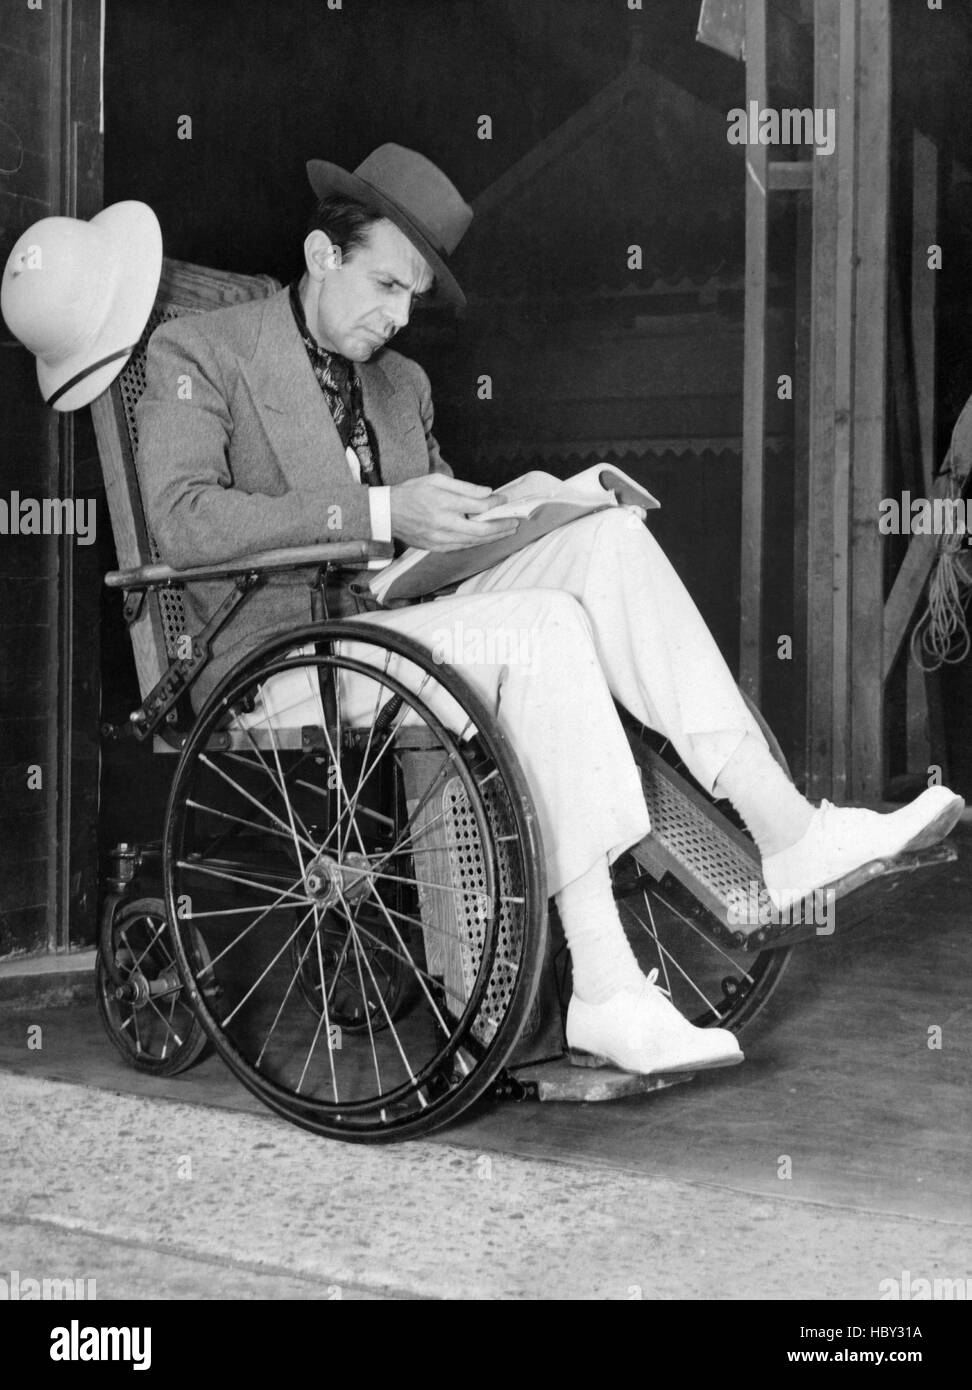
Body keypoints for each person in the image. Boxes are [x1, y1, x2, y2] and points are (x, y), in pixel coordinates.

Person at [136, 145, 965, 1077]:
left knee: (606, 538)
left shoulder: (400, 385)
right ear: (322, 255)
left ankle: (788, 833)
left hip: (405, 620)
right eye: (386, 285)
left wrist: (508, 515)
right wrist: (377, 511)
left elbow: (428, 538)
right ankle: (606, 984)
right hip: (283, 655)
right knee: (540, 630)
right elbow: (184, 520)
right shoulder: (200, 353)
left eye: (413, 298)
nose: (399, 318)